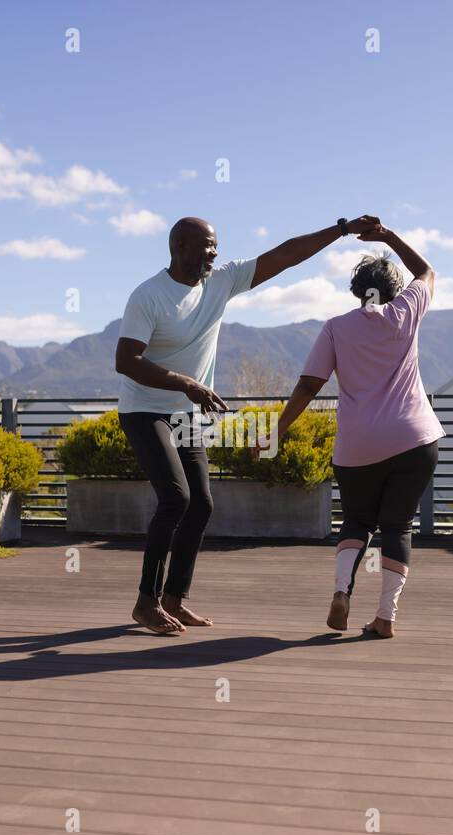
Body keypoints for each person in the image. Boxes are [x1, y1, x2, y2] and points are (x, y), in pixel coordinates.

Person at [115, 214, 382, 634]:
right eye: (207, 246)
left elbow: (285, 256)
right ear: (179, 247)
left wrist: (341, 229)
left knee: (200, 503)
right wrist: (186, 383)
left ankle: (173, 598)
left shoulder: (220, 282)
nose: (215, 253)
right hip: (144, 410)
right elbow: (126, 361)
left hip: (185, 412)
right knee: (174, 499)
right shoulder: (148, 296)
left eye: (216, 246)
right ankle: (145, 603)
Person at [264, 224, 442, 638]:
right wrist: (388, 237)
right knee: (397, 527)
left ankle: (342, 591)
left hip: (358, 445)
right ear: (395, 290)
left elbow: (309, 384)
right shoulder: (406, 310)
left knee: (356, 522)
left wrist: (275, 431)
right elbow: (428, 271)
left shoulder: (336, 327)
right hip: (414, 439)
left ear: (357, 292)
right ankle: (385, 616)